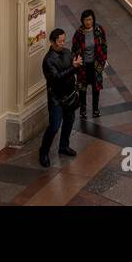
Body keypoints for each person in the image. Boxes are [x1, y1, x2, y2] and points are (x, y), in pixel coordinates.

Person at [40, 28, 83, 166]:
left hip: (69, 95)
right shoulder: (48, 61)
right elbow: (56, 79)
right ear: (52, 42)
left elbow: (73, 69)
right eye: (60, 41)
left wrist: (77, 64)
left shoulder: (67, 52)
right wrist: (73, 67)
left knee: (69, 122)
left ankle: (63, 146)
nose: (63, 43)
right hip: (56, 99)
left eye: (64, 40)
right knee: (54, 126)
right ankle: (43, 152)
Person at [70, 10, 107, 118]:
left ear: (93, 19)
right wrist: (76, 60)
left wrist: (103, 58)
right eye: (86, 20)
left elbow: (104, 45)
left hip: (96, 65)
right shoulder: (78, 33)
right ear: (82, 20)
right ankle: (83, 109)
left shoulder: (99, 30)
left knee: (96, 88)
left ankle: (95, 109)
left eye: (90, 19)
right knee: (82, 88)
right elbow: (74, 49)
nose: (88, 22)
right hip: (83, 66)